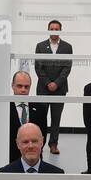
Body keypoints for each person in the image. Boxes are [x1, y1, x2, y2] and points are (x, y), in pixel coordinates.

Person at [33, 20, 72, 156]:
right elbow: (38, 67)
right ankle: (38, 144)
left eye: (57, 29)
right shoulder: (40, 46)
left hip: (60, 89)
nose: (54, 31)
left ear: (60, 30)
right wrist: (48, 83)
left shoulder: (67, 47)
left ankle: (53, 144)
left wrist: (57, 83)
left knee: (56, 118)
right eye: (52, 29)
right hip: (43, 88)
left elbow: (67, 67)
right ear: (48, 30)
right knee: (40, 118)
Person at [7, 70, 42, 163]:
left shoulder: (40, 108)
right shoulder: (4, 108)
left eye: (26, 87)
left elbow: (42, 135)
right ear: (12, 86)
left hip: (33, 159)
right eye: (19, 86)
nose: (23, 90)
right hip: (9, 158)